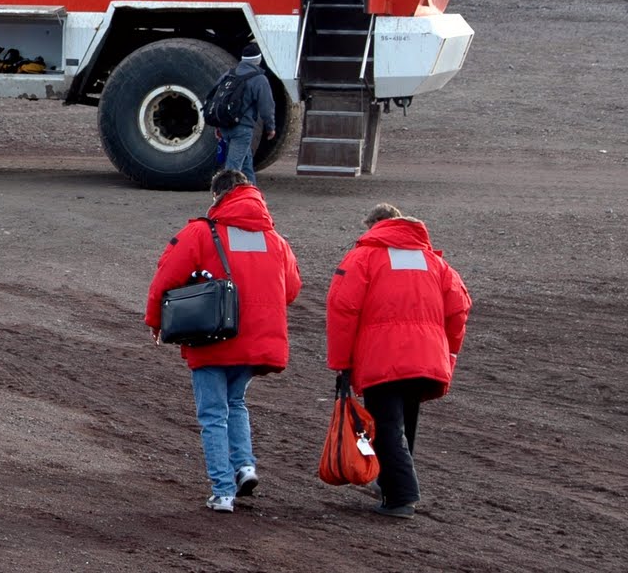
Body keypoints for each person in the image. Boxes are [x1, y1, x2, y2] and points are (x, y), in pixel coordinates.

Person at [145, 169, 302, 513]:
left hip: (210, 336)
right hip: (256, 339)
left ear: (218, 196)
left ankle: (222, 490)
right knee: (236, 403)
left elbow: (166, 276)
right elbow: (291, 290)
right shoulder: (275, 240)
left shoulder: (201, 232)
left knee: (213, 413)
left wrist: (154, 320)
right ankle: (244, 466)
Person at [325, 203, 472, 519]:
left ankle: (402, 494)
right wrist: (449, 354)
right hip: (427, 357)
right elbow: (459, 309)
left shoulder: (363, 258)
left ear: (376, 226)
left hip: (383, 357)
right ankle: (392, 486)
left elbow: (342, 309)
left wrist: (342, 362)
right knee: (403, 424)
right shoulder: (435, 263)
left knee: (388, 426)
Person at [212, 43, 276, 185]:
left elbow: (217, 100)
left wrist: (218, 125)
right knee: (233, 169)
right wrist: (270, 127)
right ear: (258, 60)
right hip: (242, 129)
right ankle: (225, 198)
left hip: (225, 126)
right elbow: (267, 106)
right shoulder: (259, 79)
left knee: (246, 165)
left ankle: (253, 196)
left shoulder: (229, 74)